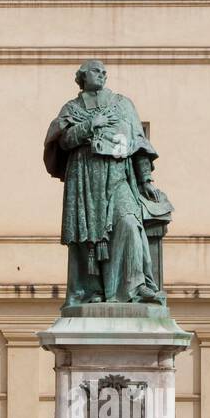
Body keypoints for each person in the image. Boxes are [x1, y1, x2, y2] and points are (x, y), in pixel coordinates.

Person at [43, 60, 168, 307]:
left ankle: (136, 286)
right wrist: (91, 125)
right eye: (95, 71)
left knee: (130, 223)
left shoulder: (123, 104)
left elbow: (138, 143)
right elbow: (64, 141)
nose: (101, 74)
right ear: (81, 77)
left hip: (119, 175)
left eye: (104, 72)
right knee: (88, 235)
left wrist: (146, 179)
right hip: (85, 178)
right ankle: (91, 291)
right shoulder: (72, 108)